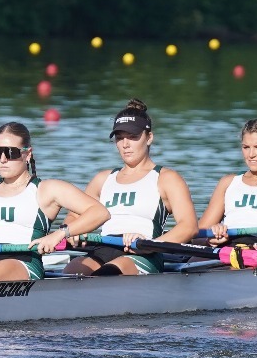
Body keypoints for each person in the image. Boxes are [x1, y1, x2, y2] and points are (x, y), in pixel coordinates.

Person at [0, 121, 105, 283]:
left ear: (27, 154)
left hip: (23, 260)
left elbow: (99, 212)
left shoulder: (47, 189)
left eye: (10, 153)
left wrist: (59, 234)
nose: (2, 159)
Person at [68, 98, 197, 275]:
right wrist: (70, 231)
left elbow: (189, 227)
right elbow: (73, 217)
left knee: (108, 274)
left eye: (133, 137)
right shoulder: (102, 179)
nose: (125, 145)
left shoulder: (166, 178)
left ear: (149, 137)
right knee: (70, 272)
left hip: (144, 253)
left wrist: (152, 246)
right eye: (120, 138)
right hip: (103, 250)